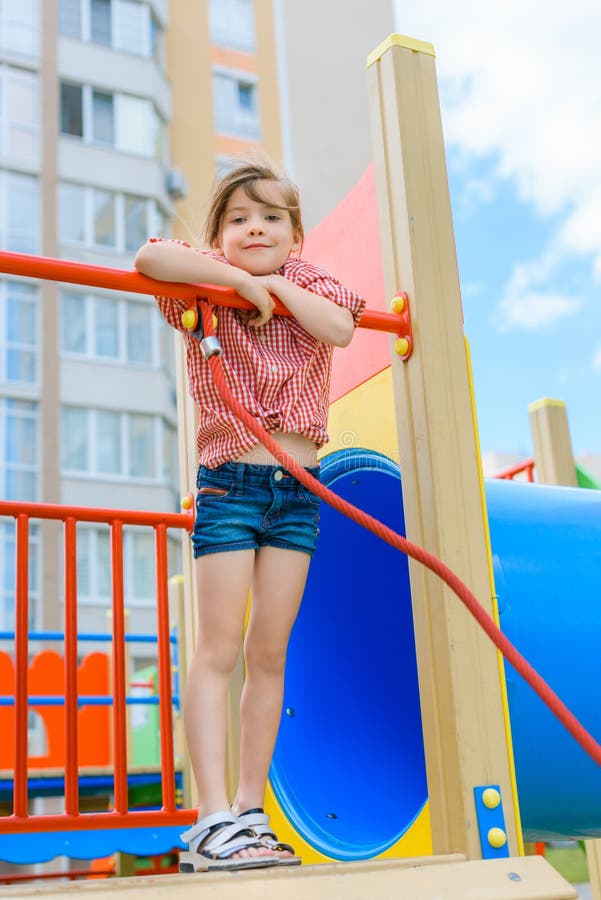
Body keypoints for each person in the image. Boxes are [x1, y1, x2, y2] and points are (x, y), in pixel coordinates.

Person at [135, 157, 365, 872]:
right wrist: (235, 283)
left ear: (294, 233)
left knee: (270, 653)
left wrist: (270, 286)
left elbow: (339, 327)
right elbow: (148, 256)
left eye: (270, 216)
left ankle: (247, 807)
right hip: (230, 486)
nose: (253, 227)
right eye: (237, 219)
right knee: (218, 649)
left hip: (298, 489)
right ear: (218, 236)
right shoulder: (201, 285)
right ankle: (209, 818)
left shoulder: (307, 283)